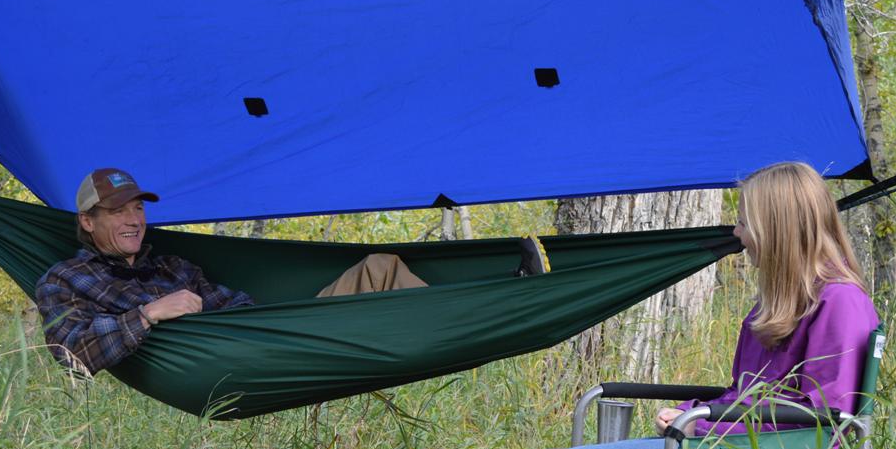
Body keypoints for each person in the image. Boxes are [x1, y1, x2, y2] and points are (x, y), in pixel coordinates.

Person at [528, 162, 880, 449]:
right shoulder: (779, 304)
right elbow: (742, 397)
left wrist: (700, 425)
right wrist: (690, 411)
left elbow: (826, 425)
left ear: (777, 230)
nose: (737, 232)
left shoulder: (840, 302)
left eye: (744, 221)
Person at [36, 167, 551, 375]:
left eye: (138, 209)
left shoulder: (172, 264)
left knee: (380, 266)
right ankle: (500, 304)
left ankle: (504, 300)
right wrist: (149, 313)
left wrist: (275, 319)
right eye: (119, 212)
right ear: (87, 221)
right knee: (377, 283)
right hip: (228, 372)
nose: (134, 220)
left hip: (275, 340)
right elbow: (69, 355)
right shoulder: (65, 280)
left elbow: (233, 305)